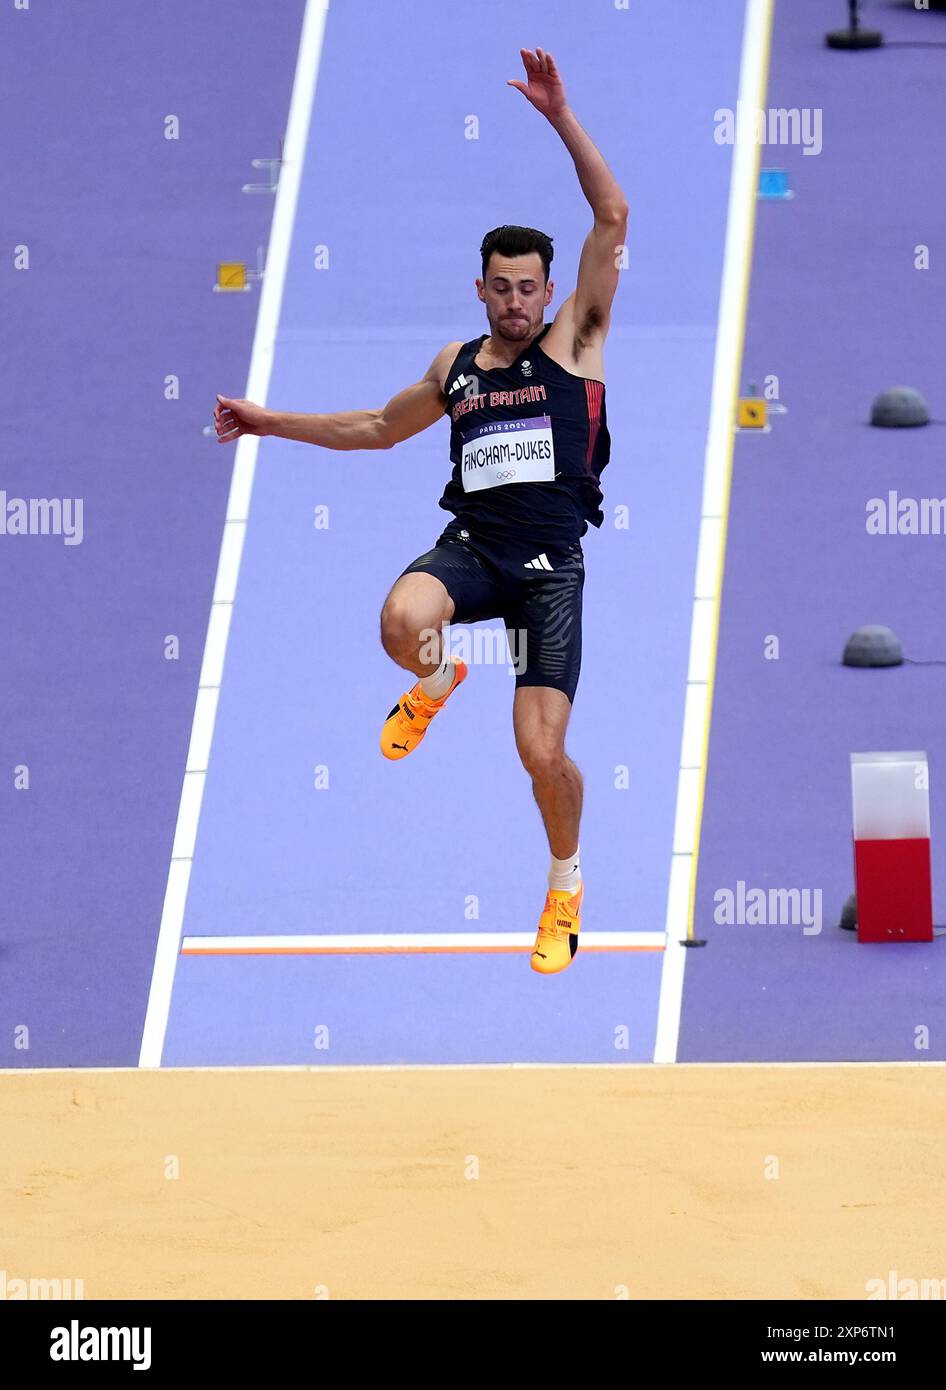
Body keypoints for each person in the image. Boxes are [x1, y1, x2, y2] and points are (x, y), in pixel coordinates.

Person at [214, 47, 627, 974]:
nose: (518, 301)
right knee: (402, 622)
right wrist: (265, 420)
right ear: (480, 288)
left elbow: (611, 215)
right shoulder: (456, 368)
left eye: (532, 287)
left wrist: (560, 115)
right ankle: (438, 681)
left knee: (540, 756)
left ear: (550, 293)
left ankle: (564, 879)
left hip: (549, 580)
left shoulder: (577, 344)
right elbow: (371, 426)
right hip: (474, 551)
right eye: (502, 286)